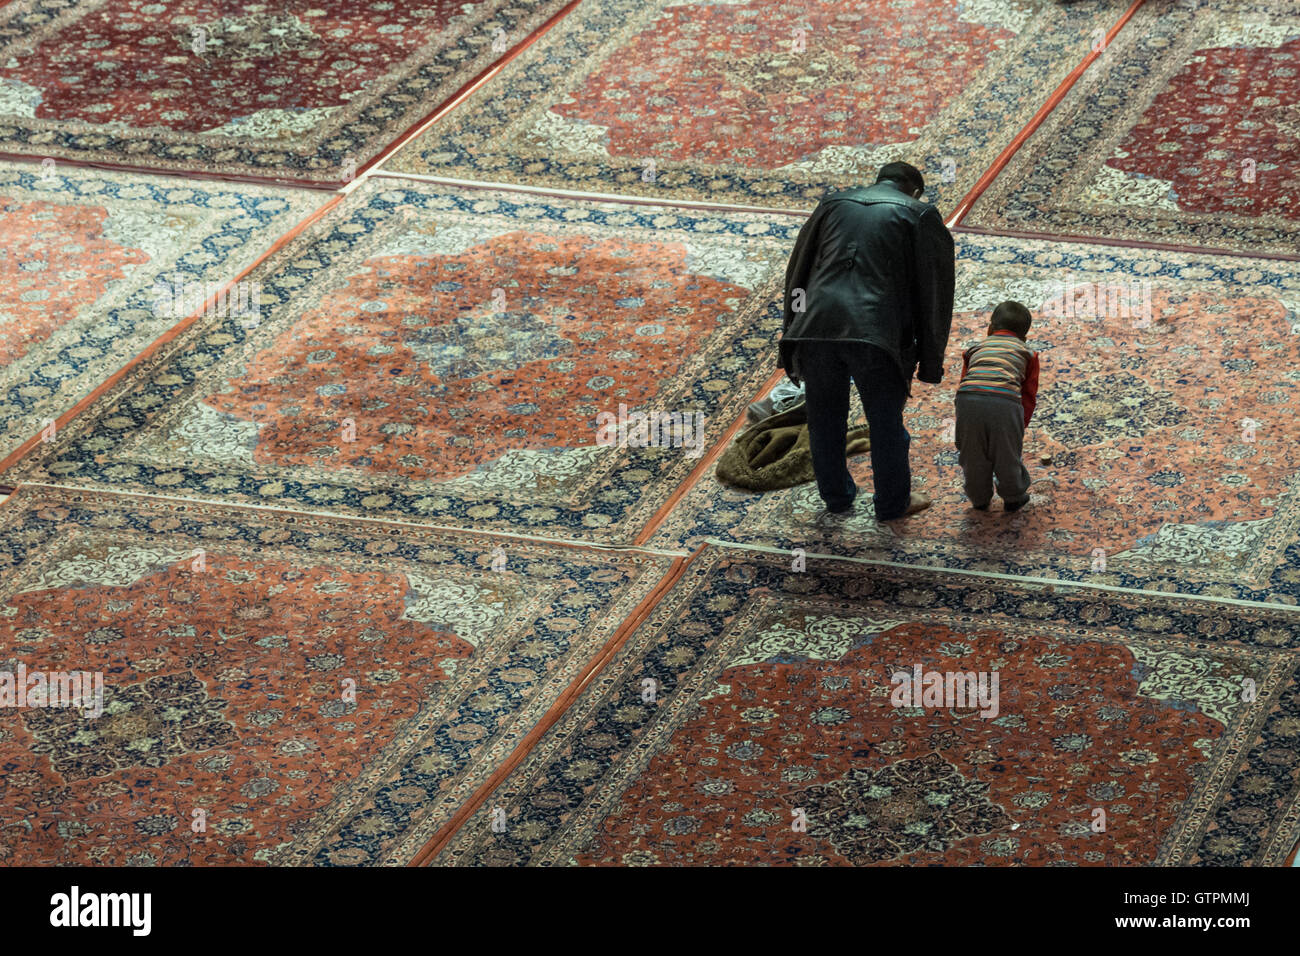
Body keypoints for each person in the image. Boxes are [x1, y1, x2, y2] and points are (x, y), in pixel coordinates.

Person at [779, 162, 955, 520]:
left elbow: (797, 272)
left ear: (879, 181)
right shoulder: (920, 215)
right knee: (885, 423)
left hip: (815, 327)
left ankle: (837, 498)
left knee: (824, 419)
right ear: (915, 191)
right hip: (876, 336)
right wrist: (930, 362)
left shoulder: (832, 204)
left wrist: (793, 328)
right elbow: (934, 294)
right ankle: (892, 504)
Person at [954, 300, 1039, 512]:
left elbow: (963, 383)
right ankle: (1014, 496)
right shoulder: (1027, 353)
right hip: (1005, 402)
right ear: (1024, 337)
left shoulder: (974, 350)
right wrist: (1020, 424)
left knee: (971, 452)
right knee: (1007, 453)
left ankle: (979, 499)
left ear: (990, 328)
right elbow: (1028, 394)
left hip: (968, 400)